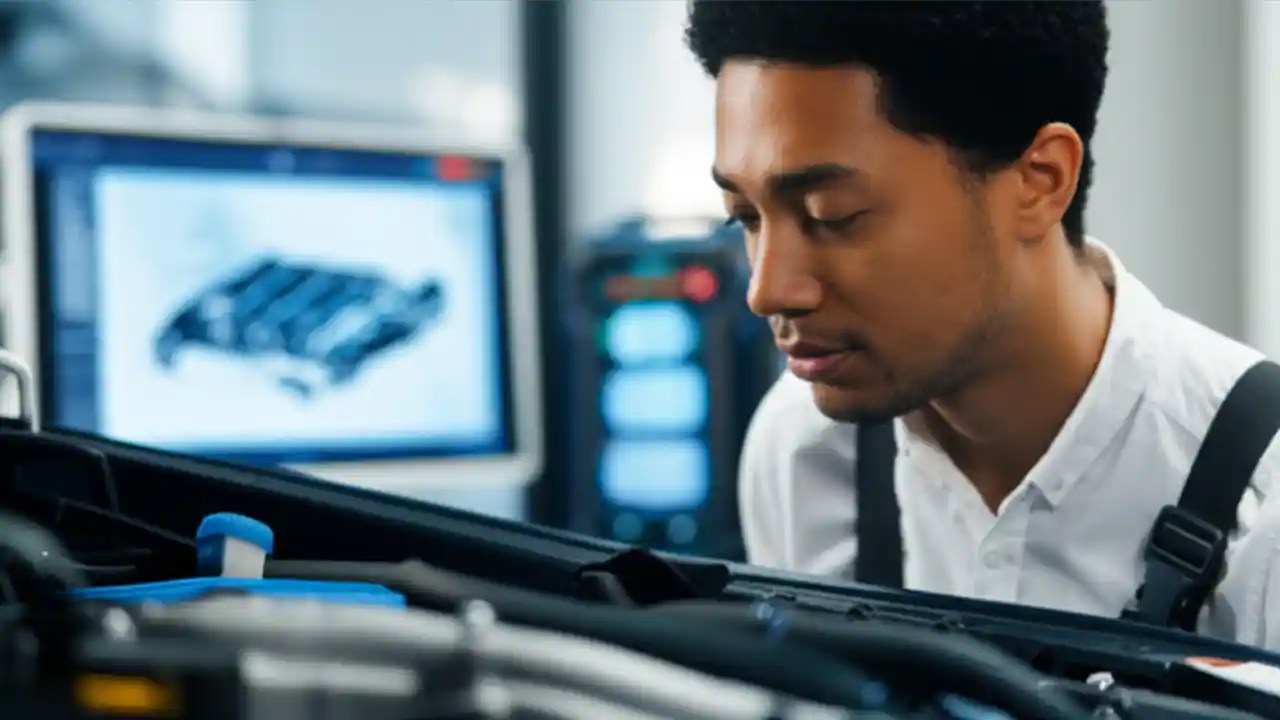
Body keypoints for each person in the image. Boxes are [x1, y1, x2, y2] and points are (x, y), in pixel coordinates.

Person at [685, 0, 1280, 649]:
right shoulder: (800, 452)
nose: (768, 290)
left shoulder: (1263, 514)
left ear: (1039, 180)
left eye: (834, 216)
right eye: (743, 216)